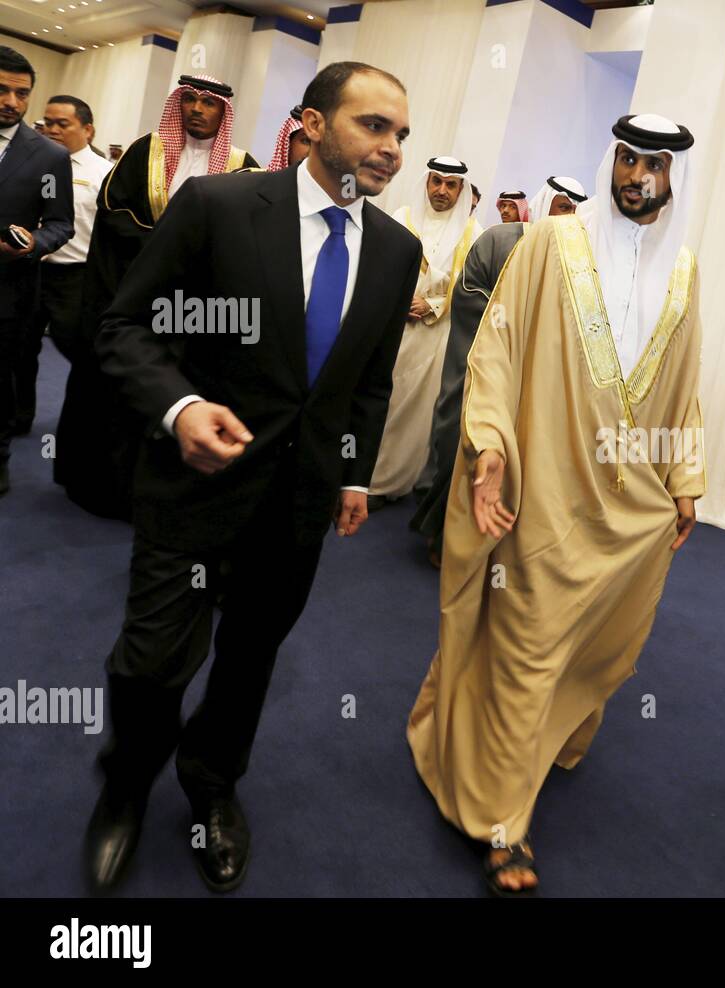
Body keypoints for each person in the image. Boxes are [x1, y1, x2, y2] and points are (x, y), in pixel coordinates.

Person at [81, 61, 421, 894]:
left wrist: (352, 478)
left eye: (402, 135)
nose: (392, 150)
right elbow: (126, 326)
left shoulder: (395, 250)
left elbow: (367, 384)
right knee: (152, 663)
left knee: (248, 662)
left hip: (298, 507)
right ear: (312, 125)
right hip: (193, 489)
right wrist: (182, 406)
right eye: (374, 126)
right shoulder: (220, 207)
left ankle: (212, 788)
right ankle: (124, 787)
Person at [406, 113, 706, 895]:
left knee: (605, 644)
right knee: (527, 642)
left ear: (677, 180)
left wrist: (686, 480)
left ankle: (511, 735)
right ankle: (502, 819)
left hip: (633, 501)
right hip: (543, 490)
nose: (639, 177)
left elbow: (685, 387)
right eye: (629, 159)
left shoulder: (684, 270)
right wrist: (491, 448)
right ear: (612, 162)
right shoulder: (547, 245)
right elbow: (496, 352)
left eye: (658, 167)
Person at [57, 74, 257, 520]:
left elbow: (247, 238)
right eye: (189, 100)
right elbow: (112, 216)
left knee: (176, 395)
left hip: (194, 313)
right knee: (117, 386)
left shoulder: (243, 167)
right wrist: (167, 249)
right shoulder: (146, 151)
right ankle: (99, 487)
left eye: (209, 104)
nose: (197, 110)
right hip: (135, 295)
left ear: (225, 112)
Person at [408, 219, 528, 564]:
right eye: (561, 206)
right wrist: (515, 323)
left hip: (524, 376)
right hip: (474, 365)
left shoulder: (568, 258)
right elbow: (468, 294)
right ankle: (442, 537)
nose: (566, 216)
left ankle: (487, 547)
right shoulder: (498, 239)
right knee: (457, 441)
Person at [367, 155, 483, 506]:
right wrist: (400, 299)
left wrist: (432, 305)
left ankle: (389, 483)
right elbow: (374, 268)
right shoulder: (400, 219)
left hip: (435, 335)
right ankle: (358, 475)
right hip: (390, 328)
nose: (442, 191)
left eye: (451, 185)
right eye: (436, 182)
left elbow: (472, 288)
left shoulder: (471, 234)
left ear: (461, 190)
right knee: (378, 402)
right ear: (426, 183)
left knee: (414, 410)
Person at [0, 46, 74, 499]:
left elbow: (60, 224)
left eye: (21, 93)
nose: (11, 101)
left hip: (8, 291)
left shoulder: (48, 156)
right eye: (2, 90)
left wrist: (30, 244)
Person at [18, 96, 112, 440]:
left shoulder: (104, 173)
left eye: (63, 124)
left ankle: (80, 430)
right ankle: (18, 418)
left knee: (80, 352)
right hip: (29, 270)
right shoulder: (31, 162)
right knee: (21, 349)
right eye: (47, 123)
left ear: (87, 130)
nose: (52, 130)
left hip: (76, 277)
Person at [267, 104, 311, 171]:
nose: (313, 152)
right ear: (287, 144)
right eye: (306, 141)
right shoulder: (256, 180)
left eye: (320, 145)